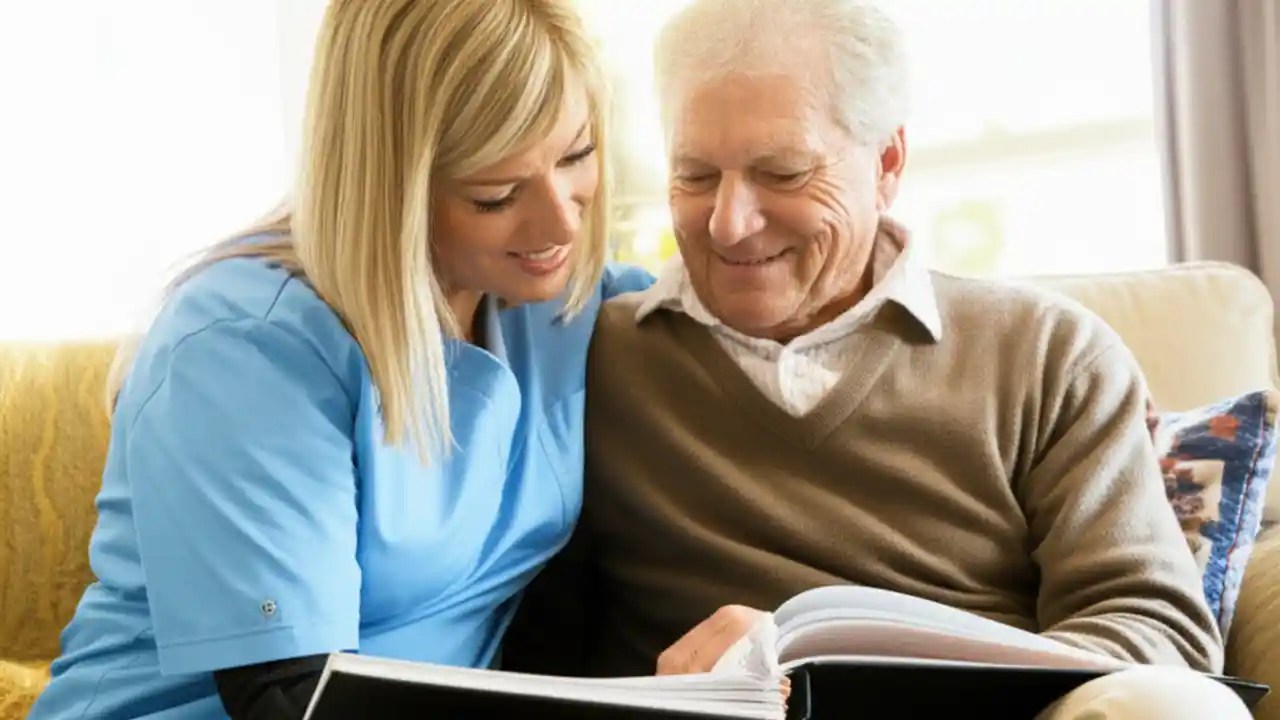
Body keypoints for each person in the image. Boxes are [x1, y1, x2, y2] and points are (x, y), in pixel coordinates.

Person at [502, 0, 1252, 717]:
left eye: (782, 172)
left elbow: (1162, 637)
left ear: (887, 162)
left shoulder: (1049, 355)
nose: (728, 224)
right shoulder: (591, 352)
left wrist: (873, 675)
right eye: (695, 175)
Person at [27, 1, 651, 718]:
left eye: (576, 155)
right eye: (496, 195)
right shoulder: (246, 346)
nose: (561, 221)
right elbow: (286, 698)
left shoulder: (561, 304)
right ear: (390, 183)